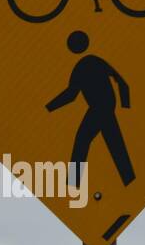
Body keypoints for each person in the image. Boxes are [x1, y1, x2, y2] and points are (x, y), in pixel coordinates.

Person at [45, 30, 135, 187]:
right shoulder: (91, 62)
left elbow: (71, 94)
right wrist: (123, 104)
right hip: (105, 106)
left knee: (83, 140)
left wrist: (49, 108)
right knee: (114, 143)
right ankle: (129, 179)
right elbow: (120, 80)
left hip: (100, 108)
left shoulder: (84, 65)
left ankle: (73, 182)